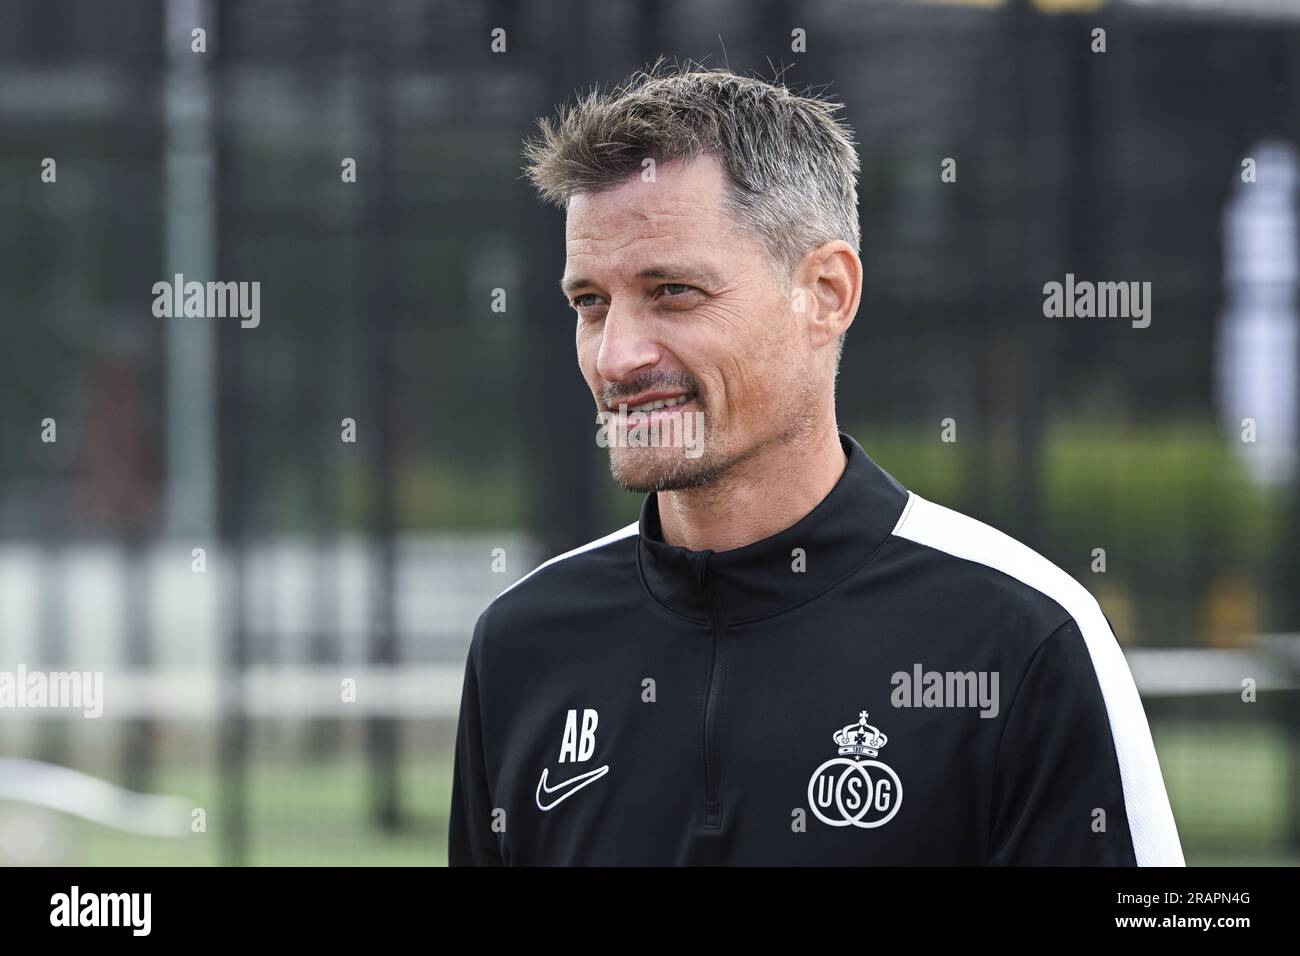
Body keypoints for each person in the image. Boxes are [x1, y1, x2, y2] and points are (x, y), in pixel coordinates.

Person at [448, 61, 1184, 866]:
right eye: (590, 302)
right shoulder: (522, 646)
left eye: (674, 292)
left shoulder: (1023, 637)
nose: (617, 356)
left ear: (826, 293)